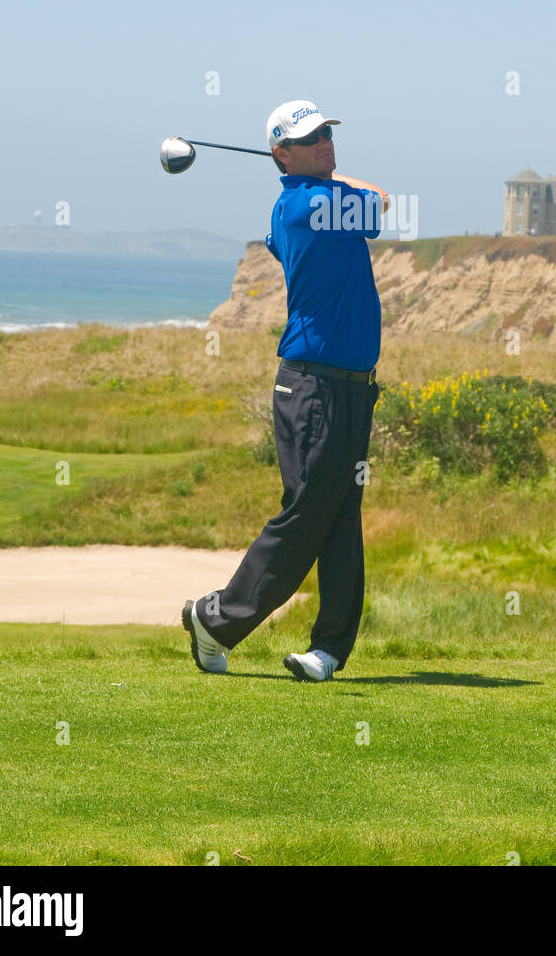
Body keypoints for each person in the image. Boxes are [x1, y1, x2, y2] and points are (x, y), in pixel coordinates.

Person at [182, 99, 389, 682]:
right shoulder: (316, 207)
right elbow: (385, 200)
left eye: (326, 131)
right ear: (282, 153)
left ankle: (328, 650)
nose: (325, 141)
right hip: (313, 387)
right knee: (308, 512)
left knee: (341, 515)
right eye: (309, 137)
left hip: (351, 388)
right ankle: (214, 617)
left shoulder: (297, 204)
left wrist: (314, 172)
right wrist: (332, 177)